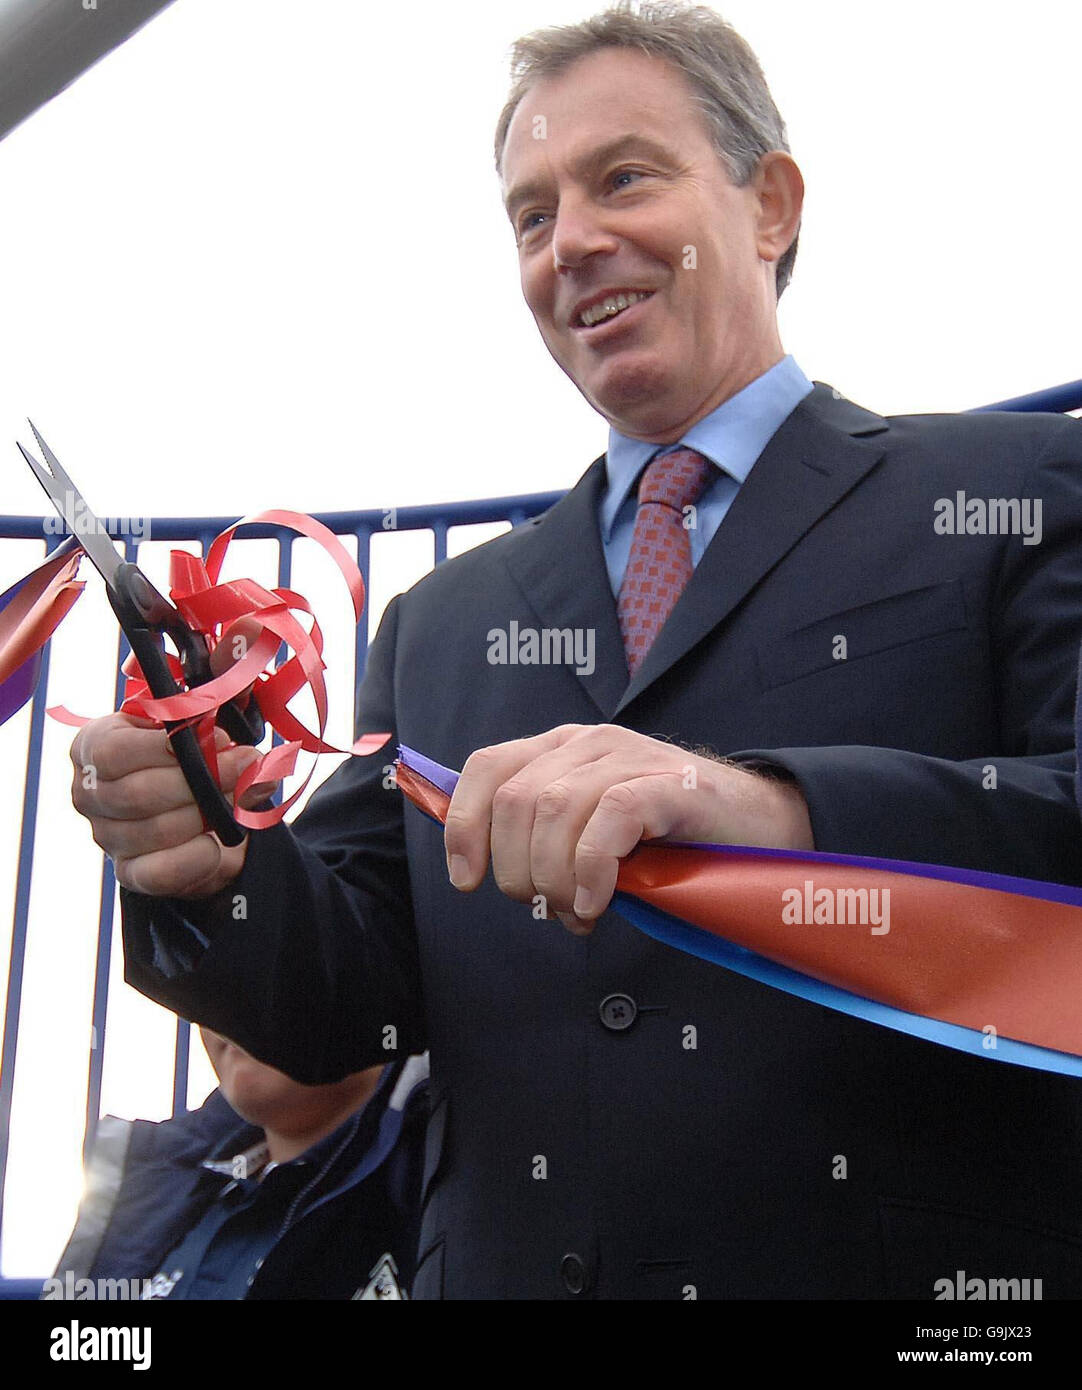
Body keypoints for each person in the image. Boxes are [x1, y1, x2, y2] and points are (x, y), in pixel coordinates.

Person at [70, 2, 1082, 1298]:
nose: (573, 242)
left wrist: (766, 807)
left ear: (768, 205)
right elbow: (342, 1003)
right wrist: (207, 870)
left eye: (622, 178)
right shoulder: (437, 623)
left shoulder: (1023, 491)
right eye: (530, 215)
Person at [43, 1032, 428, 1300]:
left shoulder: (460, 1184)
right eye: (198, 947)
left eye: (279, 932)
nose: (225, 984)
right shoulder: (148, 1188)